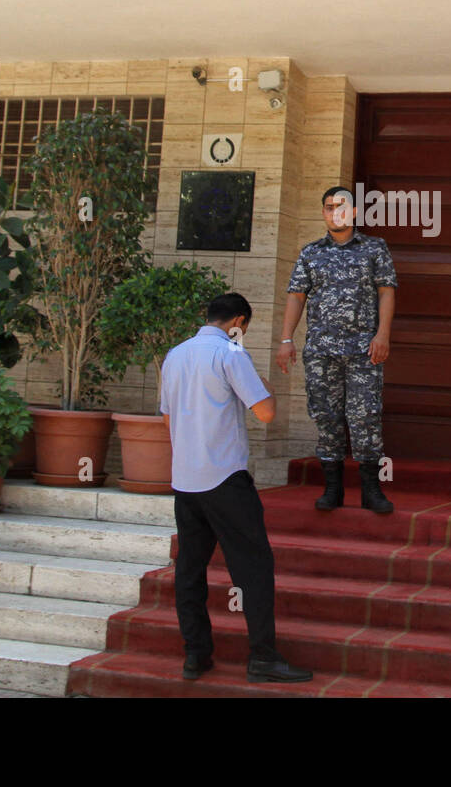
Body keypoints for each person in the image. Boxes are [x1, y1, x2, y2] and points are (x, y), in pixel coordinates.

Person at [159, 291, 311, 684]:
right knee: (253, 568)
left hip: (185, 481)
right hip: (225, 478)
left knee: (190, 570)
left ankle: (196, 655)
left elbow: (167, 421)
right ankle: (262, 657)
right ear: (239, 322)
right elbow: (265, 411)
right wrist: (265, 385)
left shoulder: (174, 356)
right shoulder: (230, 354)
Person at [277, 185, 397, 513]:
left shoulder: (374, 249)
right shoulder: (310, 253)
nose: (335, 212)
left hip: (364, 350)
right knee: (326, 417)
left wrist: (383, 334)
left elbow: (386, 291)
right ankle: (333, 490)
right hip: (321, 350)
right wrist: (286, 339)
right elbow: (296, 296)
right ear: (323, 212)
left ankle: (371, 492)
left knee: (365, 417)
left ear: (355, 212)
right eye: (329, 207)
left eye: (341, 206)